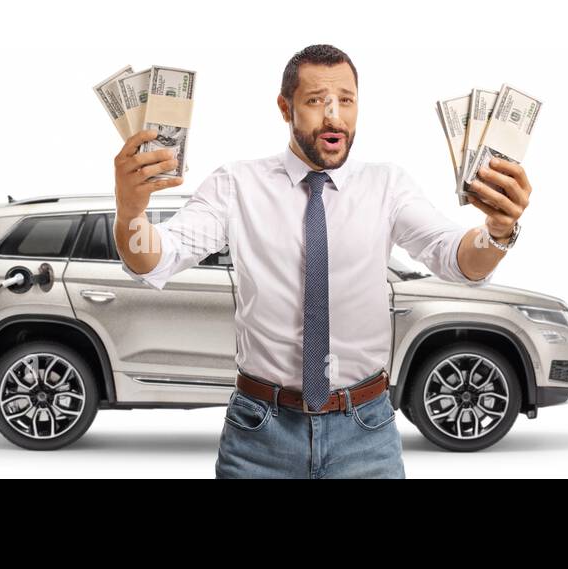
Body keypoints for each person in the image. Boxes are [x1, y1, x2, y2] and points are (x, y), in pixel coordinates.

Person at [111, 44, 533, 478]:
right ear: (285, 107)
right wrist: (130, 213)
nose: (334, 117)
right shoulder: (236, 185)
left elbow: (459, 260)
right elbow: (156, 259)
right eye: (316, 101)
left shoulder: (387, 186)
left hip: (366, 432)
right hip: (260, 435)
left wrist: (498, 233)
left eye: (345, 101)